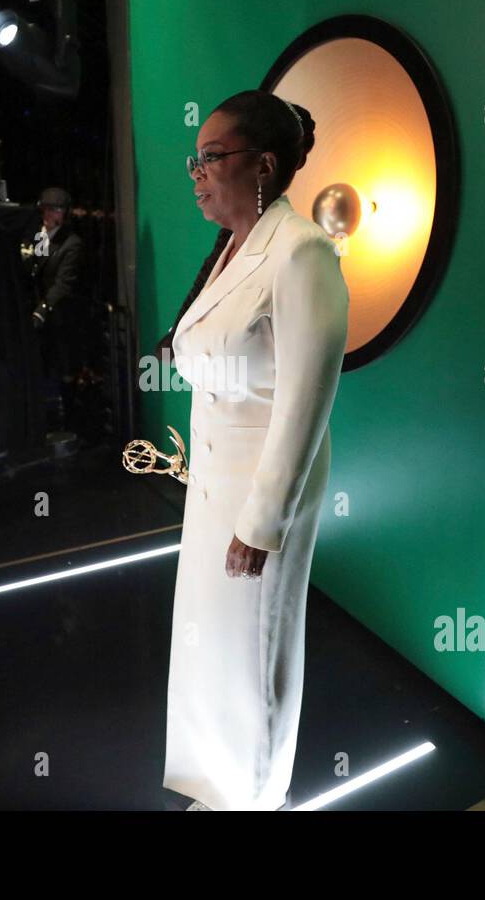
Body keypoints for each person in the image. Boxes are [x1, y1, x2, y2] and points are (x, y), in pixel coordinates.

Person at [160, 91, 349, 810]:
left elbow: (307, 398)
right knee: (210, 646)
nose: (198, 173)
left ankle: (257, 794)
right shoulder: (234, 248)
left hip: (261, 491)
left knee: (255, 652)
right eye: (196, 160)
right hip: (213, 485)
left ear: (263, 165)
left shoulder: (301, 253)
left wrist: (262, 520)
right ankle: (216, 783)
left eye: (213, 158)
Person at [22, 186, 83, 428]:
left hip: (59, 314)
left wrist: (42, 309)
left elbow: (63, 284)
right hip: (36, 309)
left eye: (57, 210)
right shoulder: (37, 236)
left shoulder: (71, 243)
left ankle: (69, 419)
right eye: (48, 209)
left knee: (62, 365)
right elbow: (31, 270)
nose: (51, 214)